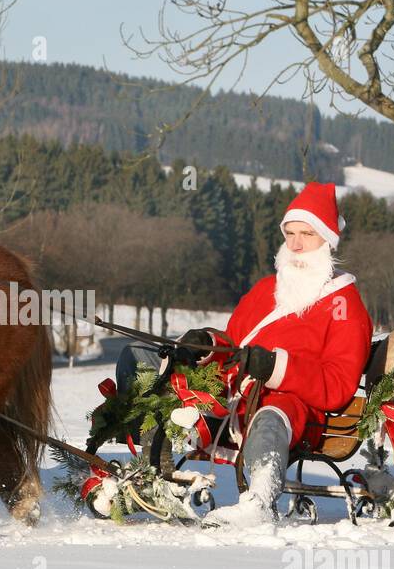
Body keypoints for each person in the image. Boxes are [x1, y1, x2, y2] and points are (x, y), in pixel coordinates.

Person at [116, 182, 373, 526]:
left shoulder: (345, 306)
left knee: (272, 413)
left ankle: (260, 501)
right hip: (229, 392)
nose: (296, 245)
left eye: (307, 234)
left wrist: (276, 366)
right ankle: (151, 471)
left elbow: (338, 384)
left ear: (327, 240)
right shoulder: (267, 288)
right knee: (139, 355)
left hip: (290, 403)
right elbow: (233, 342)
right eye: (290, 233)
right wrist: (203, 342)